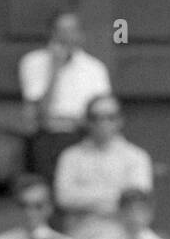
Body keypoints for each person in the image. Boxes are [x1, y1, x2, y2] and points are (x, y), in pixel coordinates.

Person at [18, 14, 112, 183]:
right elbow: (37, 116)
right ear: (52, 33)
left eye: (72, 30)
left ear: (81, 35)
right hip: (46, 137)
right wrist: (55, 70)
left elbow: (102, 113)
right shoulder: (33, 62)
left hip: (82, 137)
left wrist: (70, 121)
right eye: (61, 30)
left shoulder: (95, 68)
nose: (66, 37)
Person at [52, 94, 154, 234]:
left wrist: (84, 197)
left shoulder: (137, 157)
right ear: (87, 121)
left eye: (110, 117)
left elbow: (135, 201)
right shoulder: (70, 156)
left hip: (124, 236)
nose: (103, 123)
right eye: (96, 117)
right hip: (80, 235)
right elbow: (64, 198)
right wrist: (115, 196)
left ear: (120, 120)